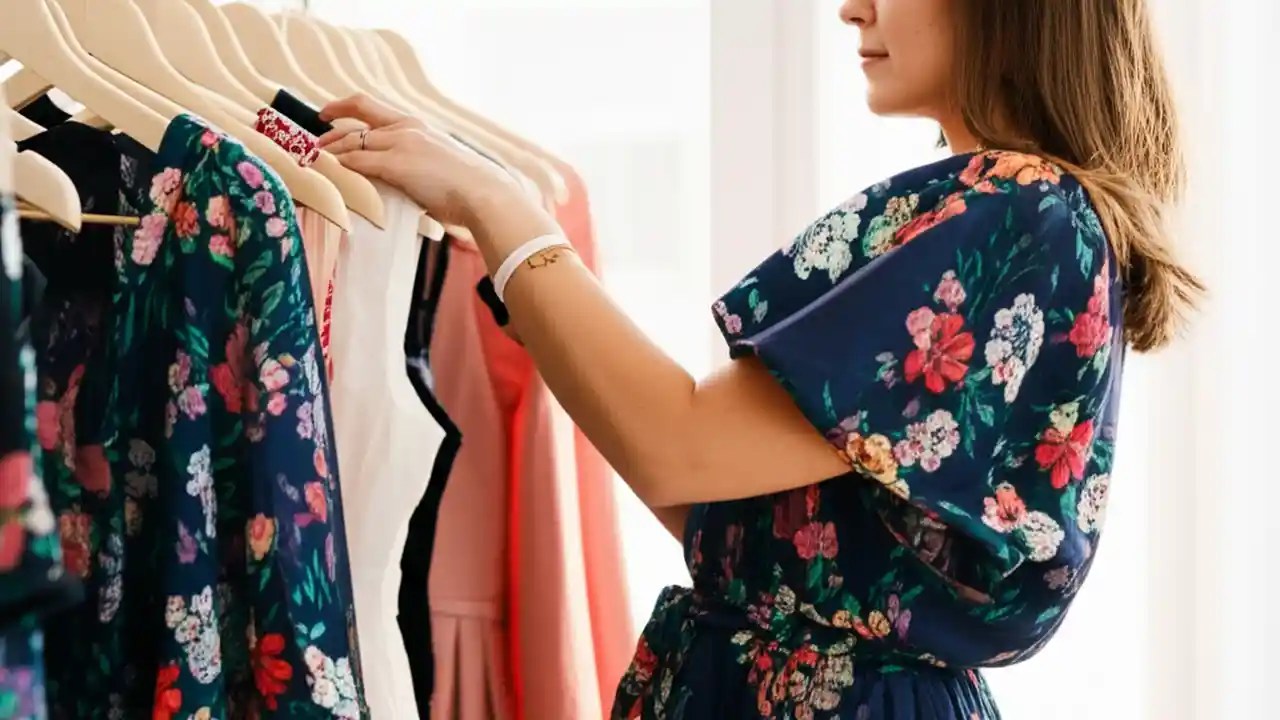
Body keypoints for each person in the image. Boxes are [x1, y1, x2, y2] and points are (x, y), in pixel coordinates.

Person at [317, 0, 1201, 717]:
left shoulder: (1017, 214)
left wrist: (501, 207)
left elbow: (680, 444)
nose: (855, 10)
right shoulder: (1019, 217)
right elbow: (729, 512)